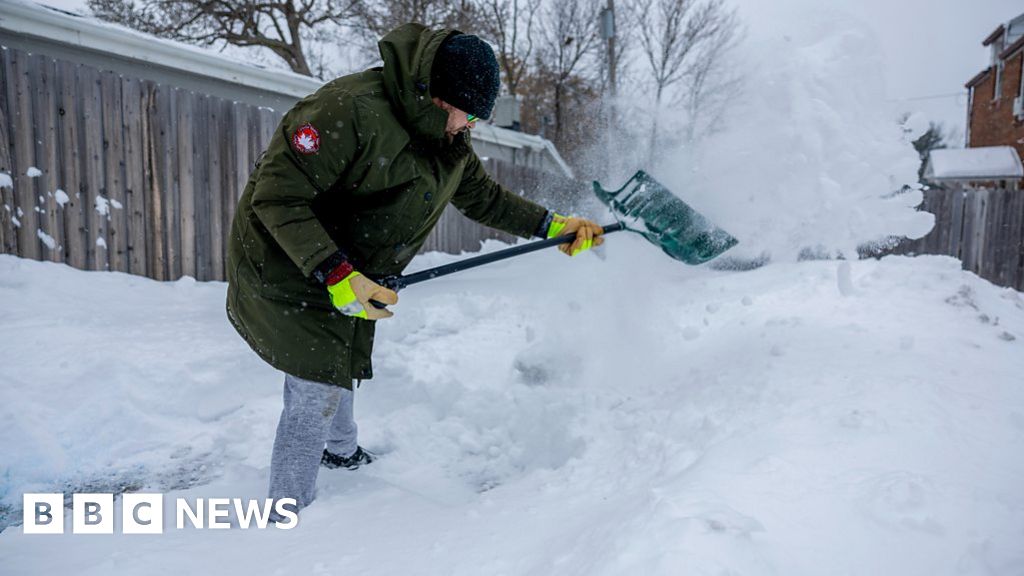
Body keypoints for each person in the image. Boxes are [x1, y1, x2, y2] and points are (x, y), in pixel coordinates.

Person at [225, 23, 604, 521]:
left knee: (337, 353)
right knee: (315, 380)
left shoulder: (445, 138)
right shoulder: (346, 111)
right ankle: (287, 512)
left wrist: (553, 225)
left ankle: (340, 451)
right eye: (469, 114)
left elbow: (483, 197)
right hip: (288, 259)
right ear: (439, 98)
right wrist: (335, 273)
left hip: (348, 264)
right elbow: (276, 198)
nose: (471, 126)